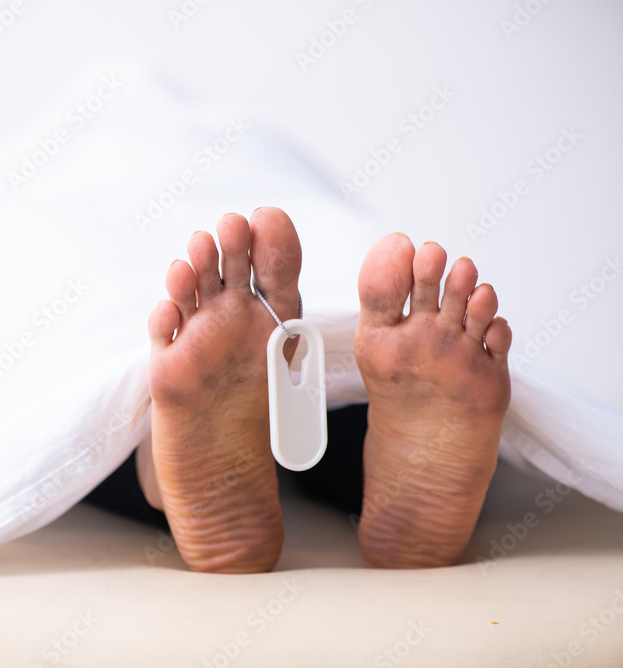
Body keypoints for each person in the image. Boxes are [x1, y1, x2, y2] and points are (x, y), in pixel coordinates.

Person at [86, 207, 512, 573]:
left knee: (99, 413)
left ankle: (156, 469)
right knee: (341, 406)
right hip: (341, 398)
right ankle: (409, 474)